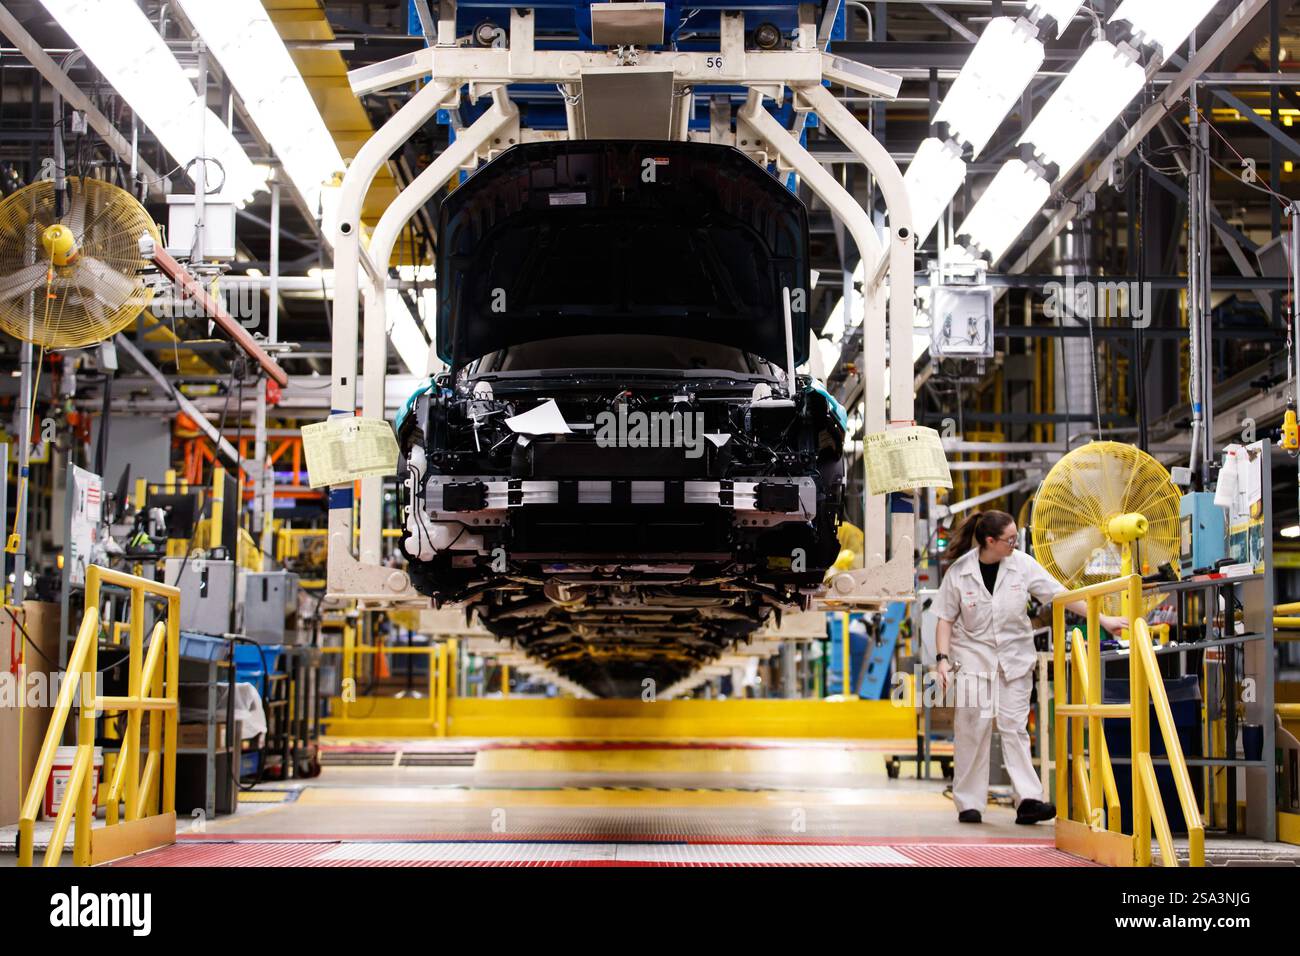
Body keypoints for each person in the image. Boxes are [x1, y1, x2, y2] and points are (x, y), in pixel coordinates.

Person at [932, 510, 1127, 825]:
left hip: (1014, 658)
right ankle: (969, 804)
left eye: (1015, 538)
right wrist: (941, 660)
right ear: (990, 541)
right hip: (972, 658)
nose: (1014, 543)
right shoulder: (960, 572)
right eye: (1008, 539)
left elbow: (1059, 594)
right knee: (972, 729)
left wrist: (1102, 618)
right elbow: (944, 619)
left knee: (1015, 728)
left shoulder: (1022, 565)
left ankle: (1029, 801)